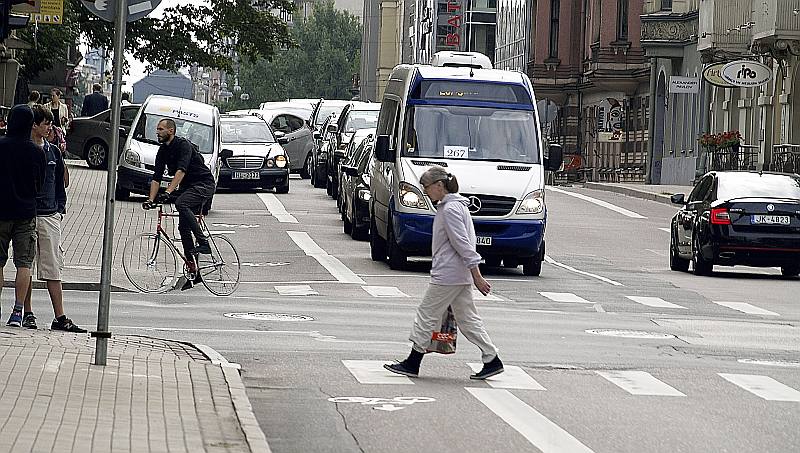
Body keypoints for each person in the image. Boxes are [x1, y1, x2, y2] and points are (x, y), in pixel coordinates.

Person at [384, 166, 504, 380]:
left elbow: (463, 244)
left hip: (448, 274)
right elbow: (464, 243)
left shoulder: (449, 210)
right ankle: (492, 358)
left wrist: (477, 275)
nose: (425, 192)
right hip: (457, 274)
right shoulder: (457, 206)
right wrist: (472, 274)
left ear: (439, 186)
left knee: (426, 314)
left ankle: (413, 362)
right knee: (467, 319)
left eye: (427, 187)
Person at [10, 106, 85, 332]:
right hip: (29, 214)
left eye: (51, 123)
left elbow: (62, 182)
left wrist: (60, 208)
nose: (50, 127)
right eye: (46, 123)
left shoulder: (53, 151)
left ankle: (59, 316)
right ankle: (27, 312)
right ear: (34, 125)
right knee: (26, 266)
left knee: (53, 267)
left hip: (50, 213)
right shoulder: (25, 149)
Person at [143, 118, 216, 290]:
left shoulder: (184, 146)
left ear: (171, 131)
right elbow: (156, 177)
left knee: (181, 203)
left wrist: (168, 192)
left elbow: (181, 171)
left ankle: (203, 242)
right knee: (183, 228)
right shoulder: (162, 151)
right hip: (188, 187)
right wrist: (151, 199)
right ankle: (194, 271)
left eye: (161, 129)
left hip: (203, 184)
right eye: (157, 129)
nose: (157, 132)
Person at [0, 105, 46, 325]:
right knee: (24, 264)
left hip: (0, 212)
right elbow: (40, 185)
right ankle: (18, 311)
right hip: (26, 214)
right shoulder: (37, 152)